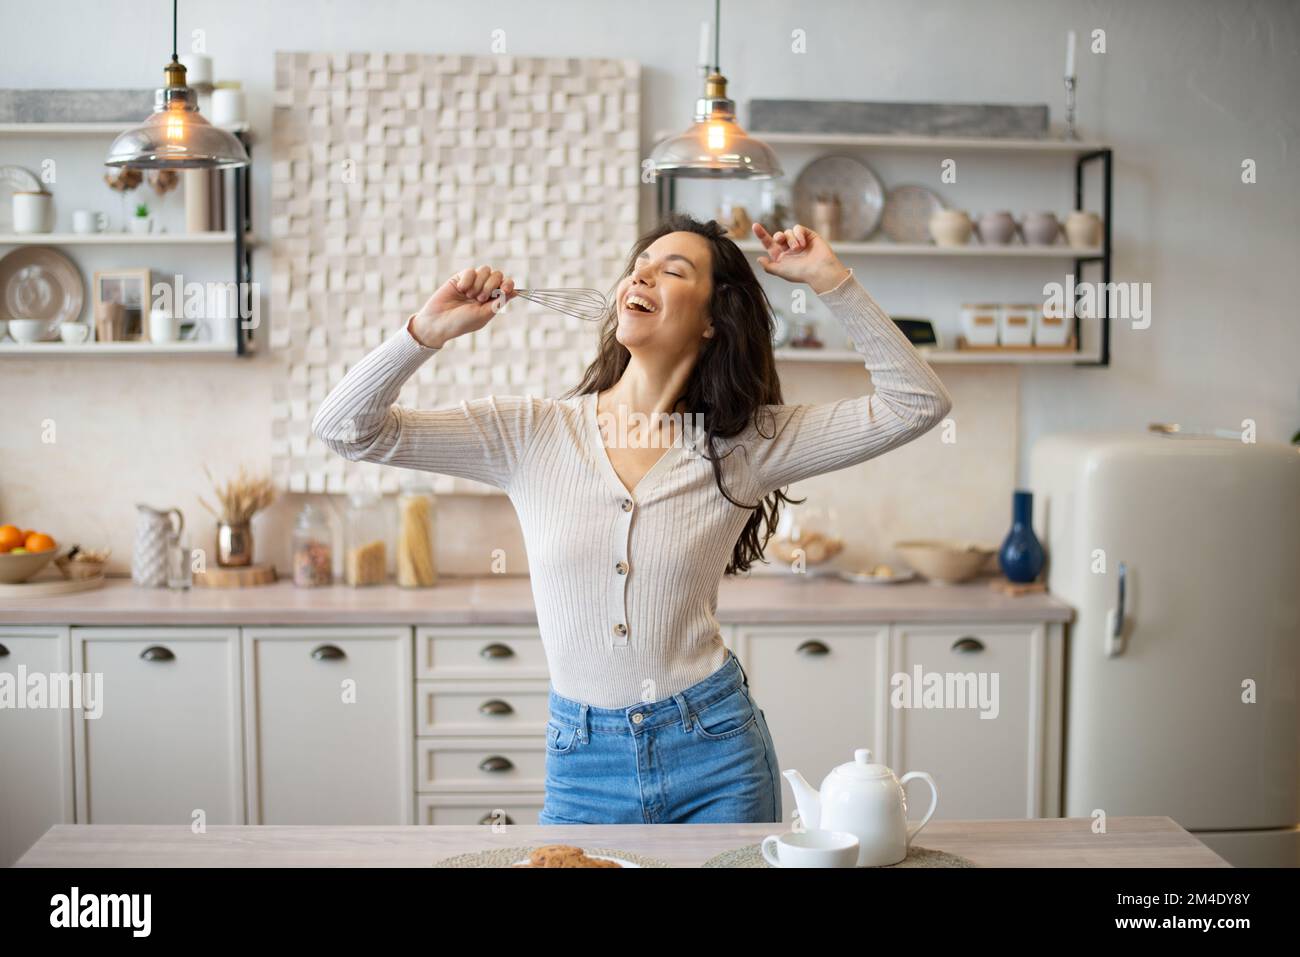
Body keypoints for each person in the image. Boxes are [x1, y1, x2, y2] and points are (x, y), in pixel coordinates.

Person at [312, 214, 953, 824]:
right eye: (638, 265)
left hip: (717, 752)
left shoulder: (747, 442)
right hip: (583, 762)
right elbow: (345, 429)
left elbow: (916, 404)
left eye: (672, 271)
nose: (641, 277)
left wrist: (831, 282)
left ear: (711, 320)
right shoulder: (529, 433)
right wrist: (424, 332)